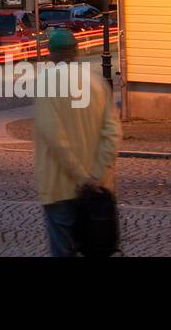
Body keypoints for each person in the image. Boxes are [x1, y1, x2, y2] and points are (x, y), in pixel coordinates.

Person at [33, 28, 120, 256]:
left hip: (59, 188)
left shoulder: (46, 83)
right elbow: (112, 133)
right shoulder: (97, 82)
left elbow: (55, 138)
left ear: (51, 54)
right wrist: (96, 177)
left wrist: (81, 177)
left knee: (64, 251)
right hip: (98, 189)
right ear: (76, 52)